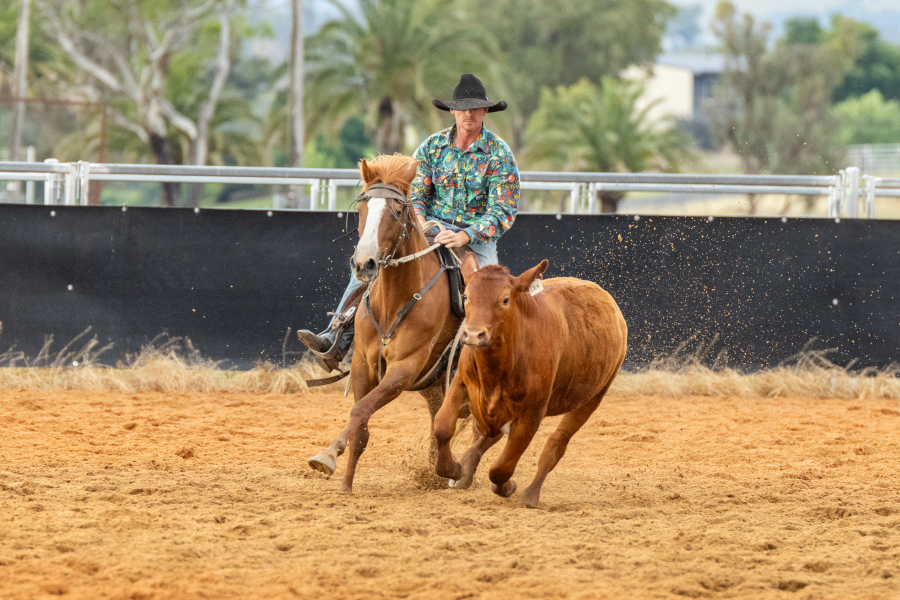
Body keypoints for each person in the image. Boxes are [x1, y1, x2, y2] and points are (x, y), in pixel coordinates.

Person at [297, 74, 520, 365]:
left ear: (485, 111)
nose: (469, 113)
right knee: (372, 263)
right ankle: (336, 336)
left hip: (475, 237)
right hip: (428, 226)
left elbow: (503, 210)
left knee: (486, 289)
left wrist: (465, 236)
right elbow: (413, 193)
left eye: (475, 107)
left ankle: (488, 367)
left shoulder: (500, 154)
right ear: (452, 111)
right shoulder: (432, 147)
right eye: (463, 107)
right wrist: (422, 221)